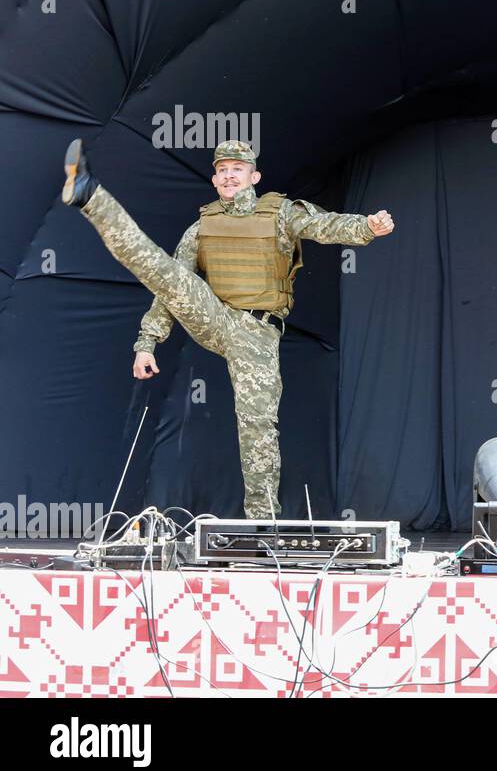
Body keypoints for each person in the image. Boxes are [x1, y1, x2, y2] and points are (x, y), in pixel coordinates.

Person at [61, 137, 395, 519]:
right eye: (222, 171)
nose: (229, 176)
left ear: (254, 176)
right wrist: (147, 342)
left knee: (258, 428)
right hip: (216, 317)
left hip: (258, 333)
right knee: (161, 270)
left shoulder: (280, 213)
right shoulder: (202, 227)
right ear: (216, 180)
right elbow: (171, 287)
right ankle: (90, 196)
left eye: (237, 169)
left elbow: (323, 225)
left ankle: (262, 526)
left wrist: (366, 227)